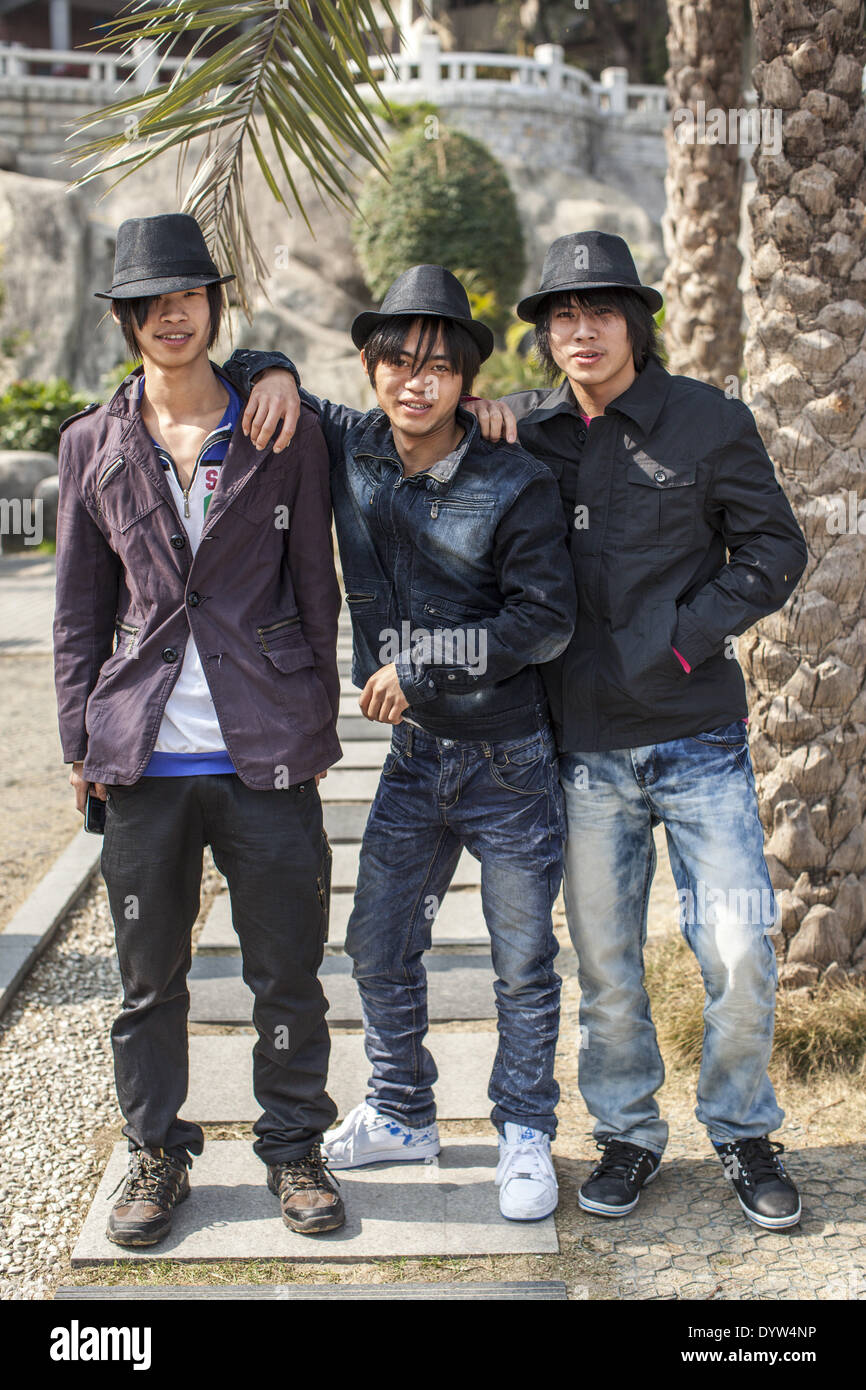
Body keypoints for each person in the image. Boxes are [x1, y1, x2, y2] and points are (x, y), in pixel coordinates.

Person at [240, 233, 809, 1232]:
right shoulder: (522, 430)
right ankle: (624, 1133)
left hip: (686, 733)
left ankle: (735, 1127)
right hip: (575, 746)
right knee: (599, 964)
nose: (577, 330)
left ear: (634, 322)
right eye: (558, 317)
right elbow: (265, 377)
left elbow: (771, 549)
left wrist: (676, 644)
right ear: (540, 338)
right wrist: (274, 365)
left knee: (733, 944)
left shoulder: (702, 421)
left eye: (597, 312)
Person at [224, 265, 576, 1220]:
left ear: (468, 381)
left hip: (509, 759)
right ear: (372, 368)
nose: (415, 383)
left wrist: (421, 665)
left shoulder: (516, 478)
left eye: (438, 367)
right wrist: (275, 373)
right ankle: (402, 1109)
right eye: (396, 363)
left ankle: (525, 1134)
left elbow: (542, 622)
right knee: (376, 944)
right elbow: (250, 358)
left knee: (521, 965)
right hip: (417, 758)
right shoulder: (354, 444)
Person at [53, 213, 344, 1245]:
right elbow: (80, 611)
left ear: (214, 306)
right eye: (151, 302)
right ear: (129, 318)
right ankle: (156, 1153)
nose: (172, 316)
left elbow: (316, 581)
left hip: (263, 750)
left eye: (189, 296)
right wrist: (79, 745)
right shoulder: (91, 442)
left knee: (286, 970)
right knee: (147, 981)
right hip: (141, 758)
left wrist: (313, 711)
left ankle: (294, 1147)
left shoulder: (281, 427)